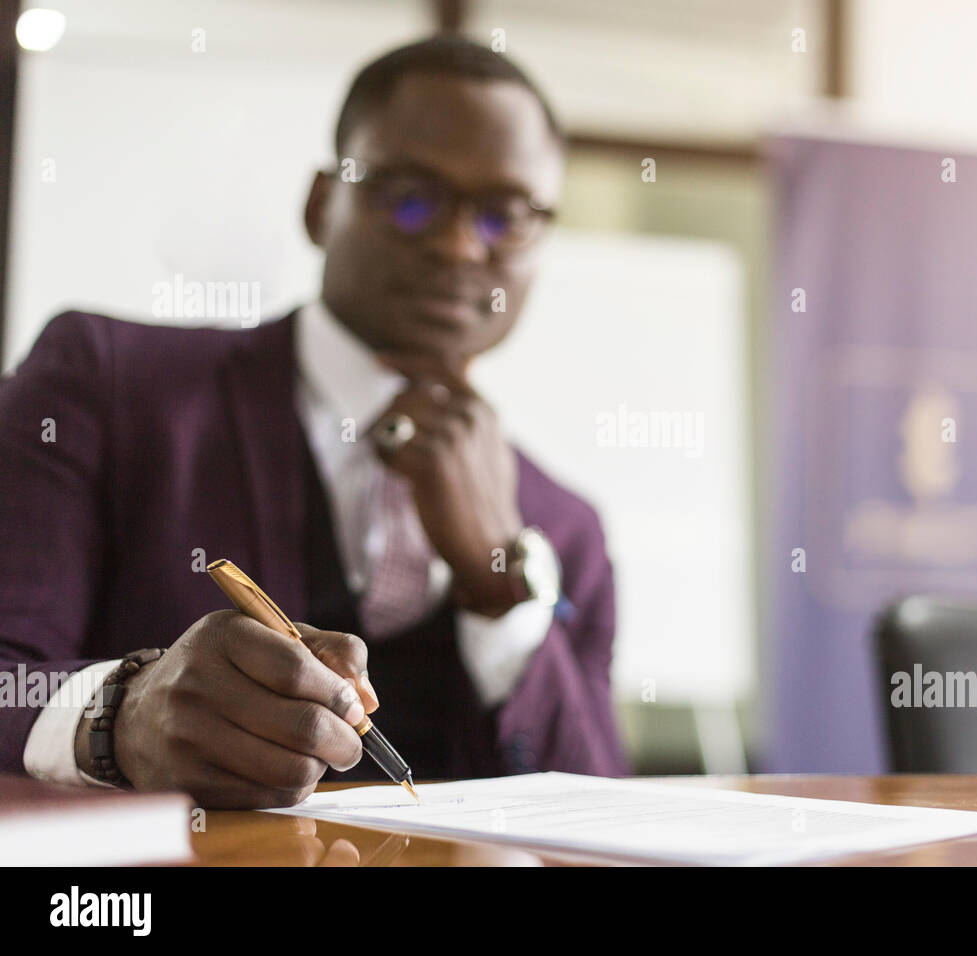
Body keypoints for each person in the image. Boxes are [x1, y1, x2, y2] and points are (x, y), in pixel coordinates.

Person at [0, 35, 628, 808]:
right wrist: (120, 717)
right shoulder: (103, 382)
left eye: (504, 216)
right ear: (321, 204)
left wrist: (498, 586)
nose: (460, 246)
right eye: (410, 197)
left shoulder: (566, 532)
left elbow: (603, 810)